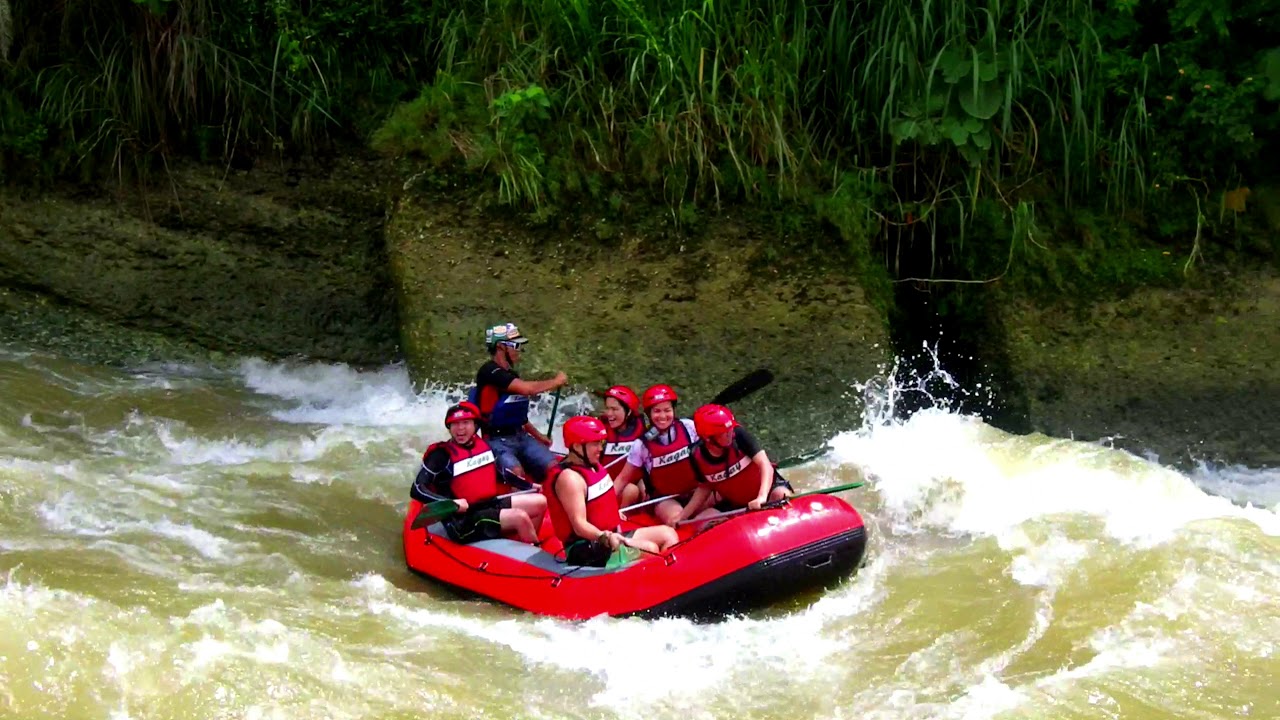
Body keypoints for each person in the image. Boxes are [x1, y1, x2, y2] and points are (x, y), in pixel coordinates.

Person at [544, 415, 678, 567]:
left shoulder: (592, 465)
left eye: (600, 443)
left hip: (611, 536)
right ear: (576, 446)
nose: (600, 449)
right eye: (595, 444)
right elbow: (579, 524)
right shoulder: (570, 479)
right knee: (650, 549)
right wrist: (604, 536)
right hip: (587, 546)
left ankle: (669, 576)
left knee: (668, 533)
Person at [411, 401, 548, 544]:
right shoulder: (441, 455)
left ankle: (521, 544)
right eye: (455, 424)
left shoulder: (482, 445)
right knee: (520, 517)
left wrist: (528, 485)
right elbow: (417, 489)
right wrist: (451, 502)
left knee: (540, 502)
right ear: (449, 428)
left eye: (466, 422)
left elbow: (499, 474)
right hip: (463, 520)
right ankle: (532, 552)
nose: (460, 429)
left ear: (475, 425)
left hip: (488, 505)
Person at [469, 322, 567, 483]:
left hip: (520, 436)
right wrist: (556, 381)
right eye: (515, 345)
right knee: (515, 473)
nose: (518, 350)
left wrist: (539, 436)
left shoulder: (511, 374)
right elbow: (527, 389)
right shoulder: (490, 372)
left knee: (554, 467)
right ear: (500, 346)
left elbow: (518, 416)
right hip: (495, 440)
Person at [678, 404, 794, 521]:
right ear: (708, 438)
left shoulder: (739, 435)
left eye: (730, 429)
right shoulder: (696, 455)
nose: (731, 433)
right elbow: (705, 486)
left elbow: (765, 465)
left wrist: (762, 497)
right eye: (724, 432)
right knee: (703, 520)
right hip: (735, 502)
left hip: (769, 491)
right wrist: (683, 516)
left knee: (780, 495)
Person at [612, 384, 708, 525]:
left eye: (667, 410)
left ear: (673, 411)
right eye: (657, 411)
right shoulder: (641, 445)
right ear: (649, 414)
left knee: (715, 511)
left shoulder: (689, 427)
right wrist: (603, 506)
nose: (663, 416)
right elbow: (622, 479)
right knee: (677, 519)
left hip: (696, 491)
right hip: (665, 499)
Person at [598, 385, 647, 505]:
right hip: (602, 485)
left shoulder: (643, 432)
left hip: (629, 488)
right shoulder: (599, 428)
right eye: (607, 408)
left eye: (614, 409)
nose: (609, 414)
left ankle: (622, 517)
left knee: (632, 490)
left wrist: (643, 481)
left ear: (628, 411)